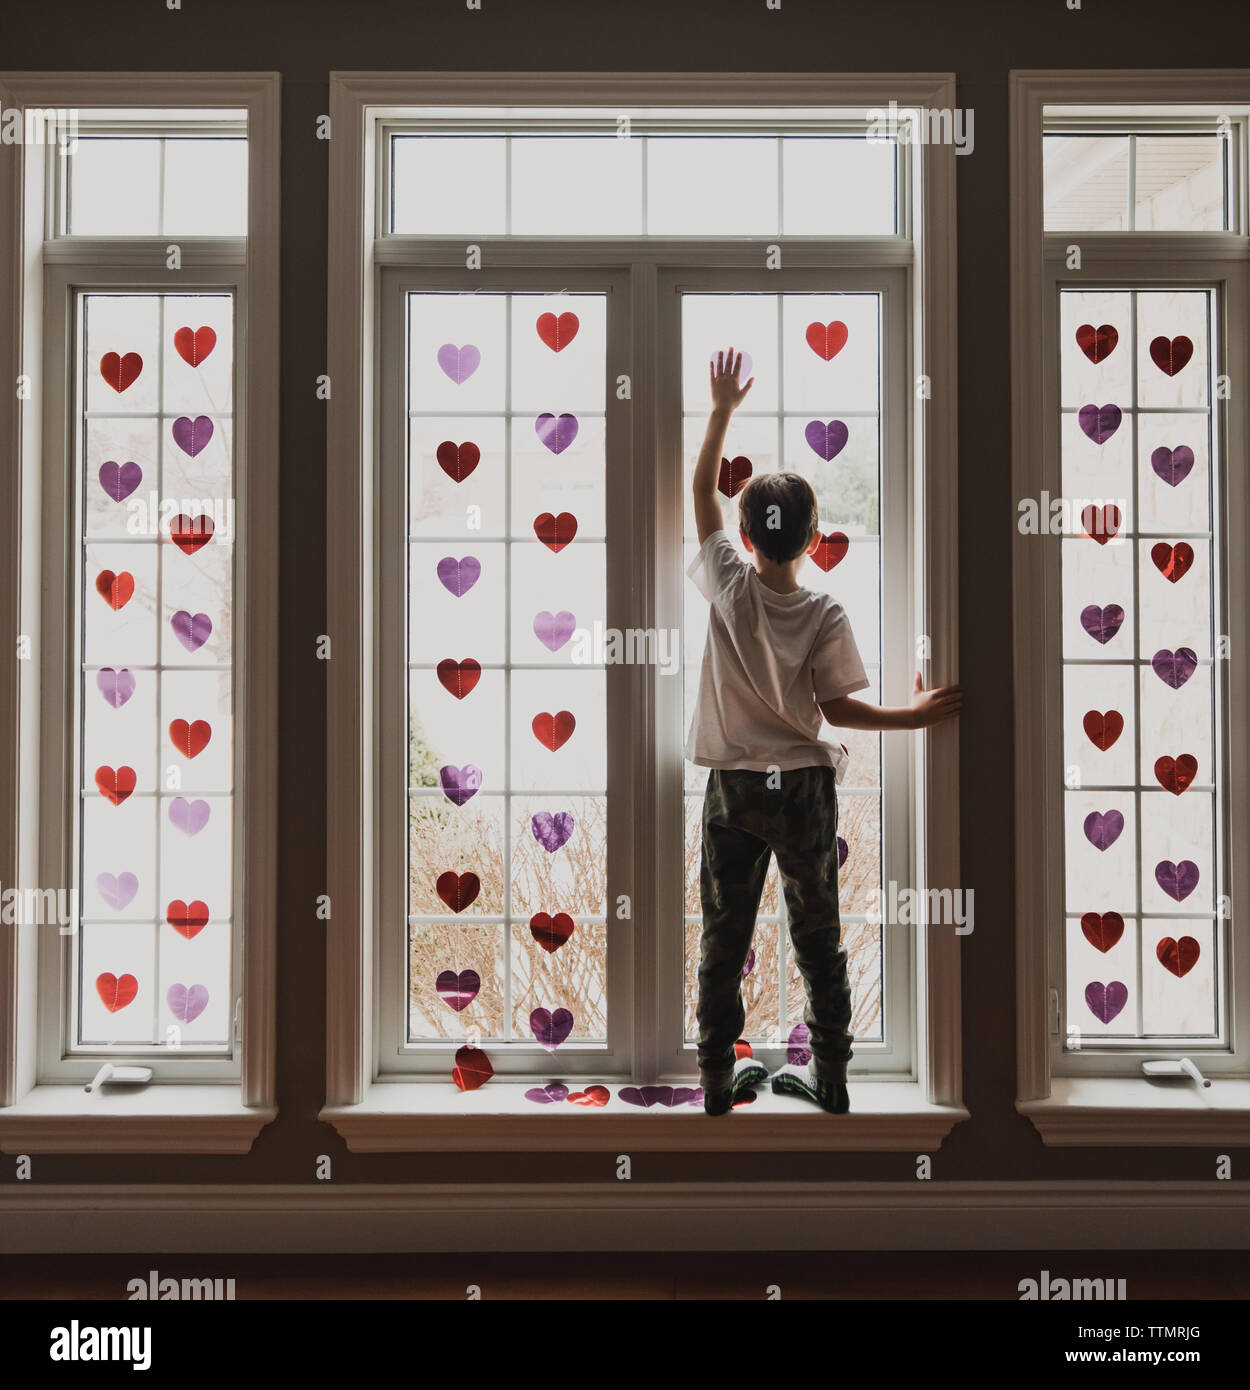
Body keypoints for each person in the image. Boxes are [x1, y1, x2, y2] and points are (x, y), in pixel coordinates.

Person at [688, 347, 962, 1115]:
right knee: (818, 932)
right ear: (812, 539)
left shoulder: (728, 587)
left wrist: (720, 410)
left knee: (723, 933)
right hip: (803, 789)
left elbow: (700, 496)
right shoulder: (824, 610)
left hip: (734, 787)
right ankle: (832, 1077)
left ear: (745, 537)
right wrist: (914, 714)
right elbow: (840, 711)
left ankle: (717, 1077)